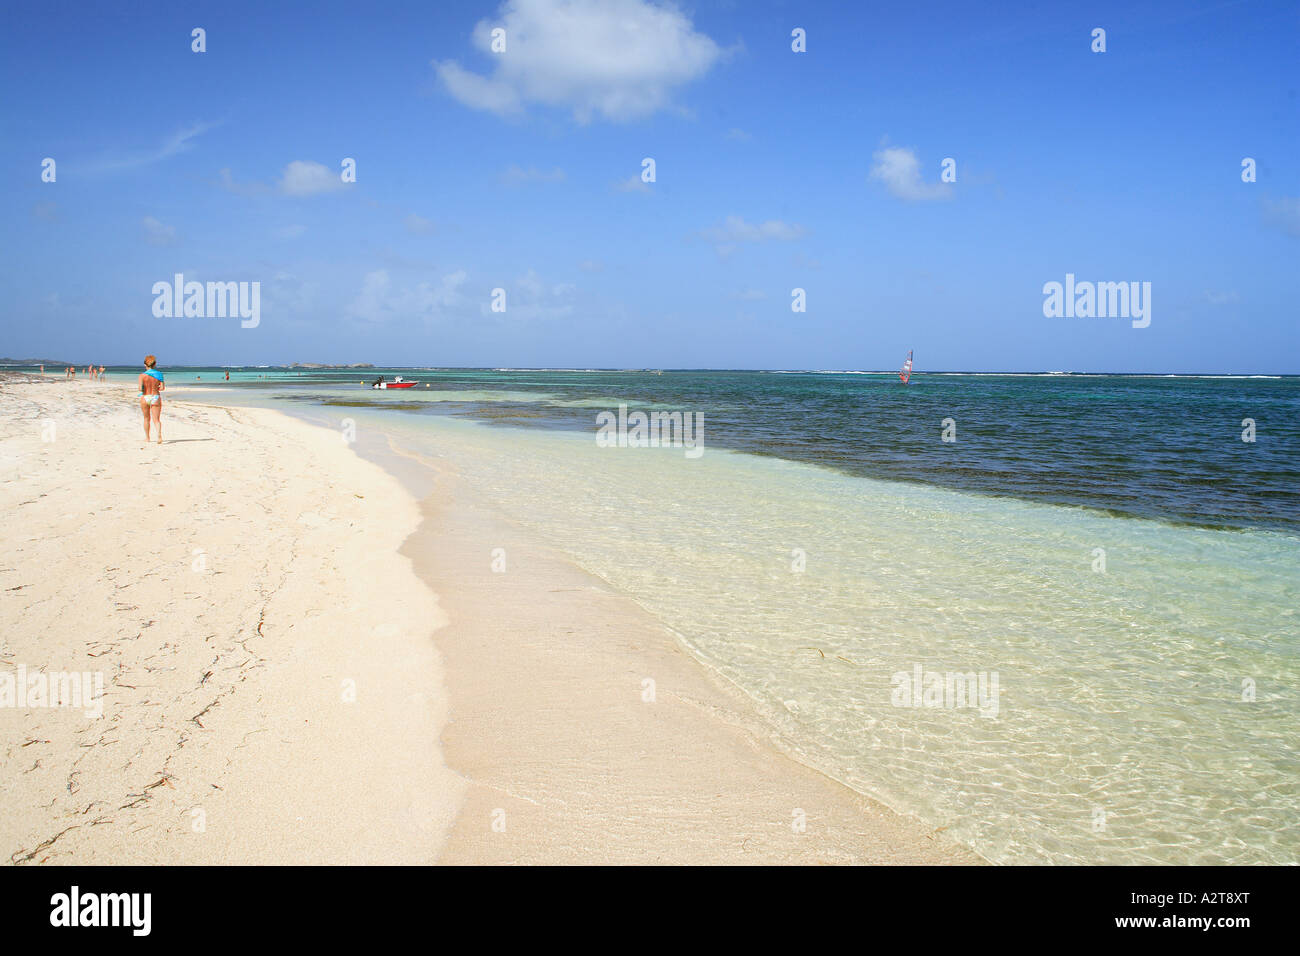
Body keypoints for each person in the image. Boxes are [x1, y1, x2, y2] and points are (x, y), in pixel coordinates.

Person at [138, 355, 165, 444]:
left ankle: (147, 438)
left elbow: (140, 389)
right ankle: (159, 435)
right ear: (155, 364)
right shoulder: (159, 374)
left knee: (146, 418)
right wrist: (156, 387)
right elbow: (162, 388)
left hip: (145, 397)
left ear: (145, 364)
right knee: (156, 419)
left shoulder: (142, 375)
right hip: (156, 396)